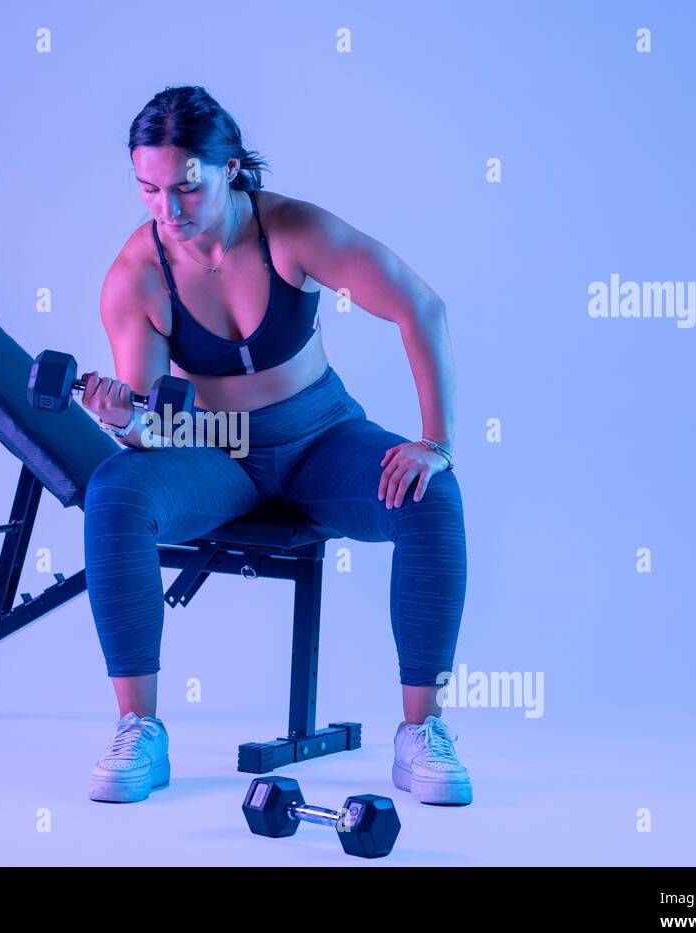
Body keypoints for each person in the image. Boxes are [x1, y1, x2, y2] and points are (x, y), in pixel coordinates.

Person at [80, 86, 470, 807]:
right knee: (115, 490)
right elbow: (150, 424)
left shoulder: (290, 230)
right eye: (149, 190)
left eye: (185, 187)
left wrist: (436, 442)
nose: (168, 210)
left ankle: (421, 734)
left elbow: (422, 306)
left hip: (320, 438)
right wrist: (119, 419)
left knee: (430, 494)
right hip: (214, 451)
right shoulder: (135, 277)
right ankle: (139, 728)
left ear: (229, 168)